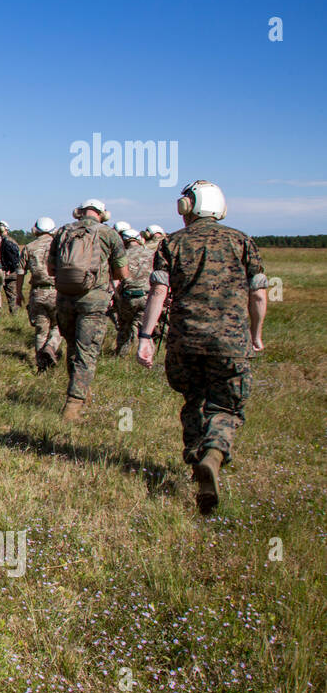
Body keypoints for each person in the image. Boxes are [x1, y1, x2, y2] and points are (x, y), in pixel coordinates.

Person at [136, 181, 268, 515]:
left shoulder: (172, 244)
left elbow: (158, 292)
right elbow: (259, 294)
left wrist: (146, 336)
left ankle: (197, 462)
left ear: (187, 207)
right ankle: (214, 453)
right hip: (231, 342)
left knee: (193, 399)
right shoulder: (242, 241)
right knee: (225, 405)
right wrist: (256, 334)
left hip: (185, 340)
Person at [46, 198, 129, 421]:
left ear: (79, 213)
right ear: (102, 214)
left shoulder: (63, 231)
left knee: (72, 346)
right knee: (87, 352)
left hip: (65, 299)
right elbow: (122, 272)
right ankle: (73, 406)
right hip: (93, 301)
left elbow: (51, 269)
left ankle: (84, 392)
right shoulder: (109, 233)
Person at [17, 216, 62, 372]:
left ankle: (41, 366)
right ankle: (51, 346)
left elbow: (20, 272)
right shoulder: (60, 246)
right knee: (58, 326)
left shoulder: (29, 247)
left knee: (40, 330)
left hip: (38, 293)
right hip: (57, 291)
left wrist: (18, 293)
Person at [113, 228, 152, 356]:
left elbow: (116, 279)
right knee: (145, 329)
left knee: (124, 327)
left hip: (127, 297)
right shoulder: (152, 254)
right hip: (147, 296)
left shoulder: (122, 255)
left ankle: (121, 355)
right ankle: (146, 355)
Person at [0, 221, 23, 315]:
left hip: (11, 272)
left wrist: (10, 270)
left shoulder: (7, 242)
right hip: (12, 271)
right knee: (12, 294)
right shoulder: (8, 240)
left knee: (12, 295)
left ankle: (15, 314)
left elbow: (14, 259)